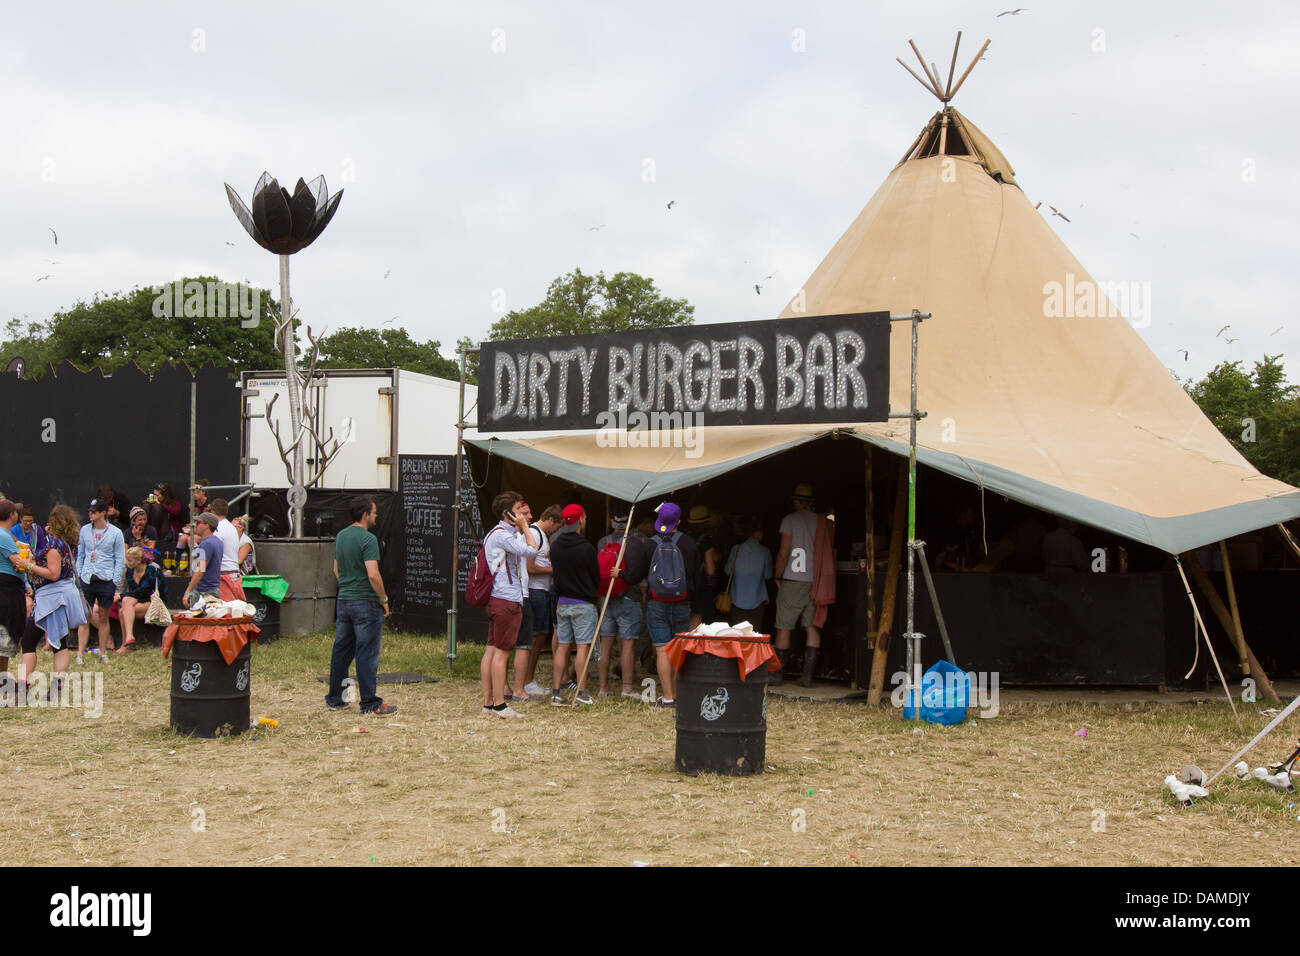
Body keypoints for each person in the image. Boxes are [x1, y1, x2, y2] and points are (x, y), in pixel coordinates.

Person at [325, 496, 396, 716]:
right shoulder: (368, 539)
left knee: (342, 651)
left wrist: (348, 586)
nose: (376, 516)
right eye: (374, 512)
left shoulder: (342, 536)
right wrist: (383, 599)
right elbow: (373, 575)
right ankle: (370, 703)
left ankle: (337, 698)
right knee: (366, 653)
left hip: (344, 600)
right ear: (365, 515)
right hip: (365, 602)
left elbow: (336, 570)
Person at [17, 504, 87, 699]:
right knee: (59, 643)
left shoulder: (55, 546)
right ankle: (56, 689)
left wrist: (28, 565)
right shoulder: (65, 543)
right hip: (58, 597)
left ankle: (24, 689)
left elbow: (53, 574)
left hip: (52, 599)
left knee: (30, 641)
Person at [480, 491, 538, 718]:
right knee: (501, 653)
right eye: (518, 511)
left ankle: (488, 703)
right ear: (507, 513)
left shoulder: (495, 533)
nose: (524, 516)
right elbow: (532, 551)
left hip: (497, 597)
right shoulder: (504, 535)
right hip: (506, 599)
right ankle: (499, 704)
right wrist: (524, 528)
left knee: (492, 649)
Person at [643, 502, 702, 709]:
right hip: (681, 602)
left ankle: (668, 698)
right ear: (679, 521)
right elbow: (696, 577)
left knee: (662, 651)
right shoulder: (689, 543)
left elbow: (640, 575)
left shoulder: (650, 544)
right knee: (679, 649)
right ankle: (680, 696)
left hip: (657, 602)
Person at [548, 504, 599, 706]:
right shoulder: (586, 547)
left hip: (562, 602)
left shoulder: (556, 545)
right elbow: (596, 577)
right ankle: (581, 692)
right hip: (583, 603)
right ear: (580, 521)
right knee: (582, 648)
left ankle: (556, 692)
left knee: (562, 646)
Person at [512, 503, 563, 702]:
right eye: (557, 526)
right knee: (536, 637)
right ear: (551, 520)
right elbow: (530, 568)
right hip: (535, 591)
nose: (557, 530)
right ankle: (527, 681)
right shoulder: (535, 535)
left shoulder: (540, 535)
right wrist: (553, 570)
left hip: (540, 590)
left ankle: (527, 679)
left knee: (539, 636)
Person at [596, 511, 649, 699]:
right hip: (629, 597)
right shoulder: (635, 544)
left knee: (605, 644)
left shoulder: (602, 542)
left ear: (612, 522)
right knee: (628, 644)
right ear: (631, 522)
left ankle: (603, 687)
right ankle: (627, 688)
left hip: (606, 597)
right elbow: (639, 574)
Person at [773, 482, 821, 687]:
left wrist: (777, 575)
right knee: (811, 626)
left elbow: (784, 552)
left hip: (793, 579)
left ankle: (776, 674)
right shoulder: (820, 521)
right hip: (815, 580)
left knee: (784, 626)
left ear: (796, 501)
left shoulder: (789, 520)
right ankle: (807, 676)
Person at [76, 498, 125, 658]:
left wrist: (114, 581)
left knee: (104, 617)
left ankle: (103, 652)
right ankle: (80, 654)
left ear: (103, 513)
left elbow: (120, 558)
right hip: (87, 577)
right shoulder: (84, 530)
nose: (90, 514)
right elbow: (81, 553)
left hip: (106, 578)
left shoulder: (116, 533)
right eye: (90, 511)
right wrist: (80, 574)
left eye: (94, 511)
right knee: (84, 616)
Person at [0, 501, 33, 677]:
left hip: (10, 590)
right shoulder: (3, 536)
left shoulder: (7, 536)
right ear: (12, 515)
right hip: (6, 593)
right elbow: (19, 563)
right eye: (16, 513)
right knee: (3, 641)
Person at [724, 517, 773, 628]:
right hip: (758, 600)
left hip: (737, 599)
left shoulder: (736, 549)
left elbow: (727, 571)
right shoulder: (765, 551)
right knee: (754, 635)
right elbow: (768, 575)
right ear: (757, 532)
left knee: (738, 634)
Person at [117, 546, 166, 652]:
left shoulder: (152, 570)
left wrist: (121, 596)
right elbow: (136, 593)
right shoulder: (130, 572)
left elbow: (144, 590)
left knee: (124, 606)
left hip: (154, 602)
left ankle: (127, 643)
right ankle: (127, 640)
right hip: (139, 600)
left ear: (139, 560)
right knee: (123, 608)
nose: (127, 563)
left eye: (130, 560)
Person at [181, 513, 224, 606]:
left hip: (203, 593)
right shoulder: (217, 541)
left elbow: (200, 571)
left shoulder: (207, 543)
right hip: (212, 590)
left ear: (206, 525)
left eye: (198, 522)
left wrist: (188, 591)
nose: (195, 525)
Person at [208, 498, 247, 601]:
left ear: (212, 511)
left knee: (225, 613)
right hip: (234, 575)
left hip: (224, 575)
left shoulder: (218, 528)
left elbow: (213, 551)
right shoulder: (231, 527)